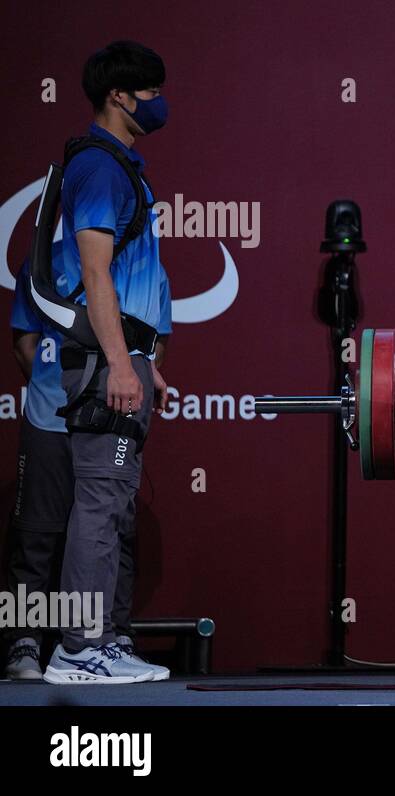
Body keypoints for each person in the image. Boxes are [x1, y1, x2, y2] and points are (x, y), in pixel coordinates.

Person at [39, 41, 173, 684]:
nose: (159, 102)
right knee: (99, 502)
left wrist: (145, 361)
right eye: (150, 92)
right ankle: (78, 648)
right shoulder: (98, 167)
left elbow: (127, 277)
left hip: (121, 355)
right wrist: (121, 366)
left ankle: (105, 641)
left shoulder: (122, 167)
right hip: (100, 360)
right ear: (120, 96)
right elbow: (94, 274)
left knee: (113, 502)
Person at [5, 251, 172, 680]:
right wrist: (63, 390)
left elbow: (153, 344)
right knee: (37, 534)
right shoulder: (45, 261)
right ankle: (24, 640)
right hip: (51, 416)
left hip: (108, 414)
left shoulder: (146, 266)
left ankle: (112, 634)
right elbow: (24, 341)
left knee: (112, 525)